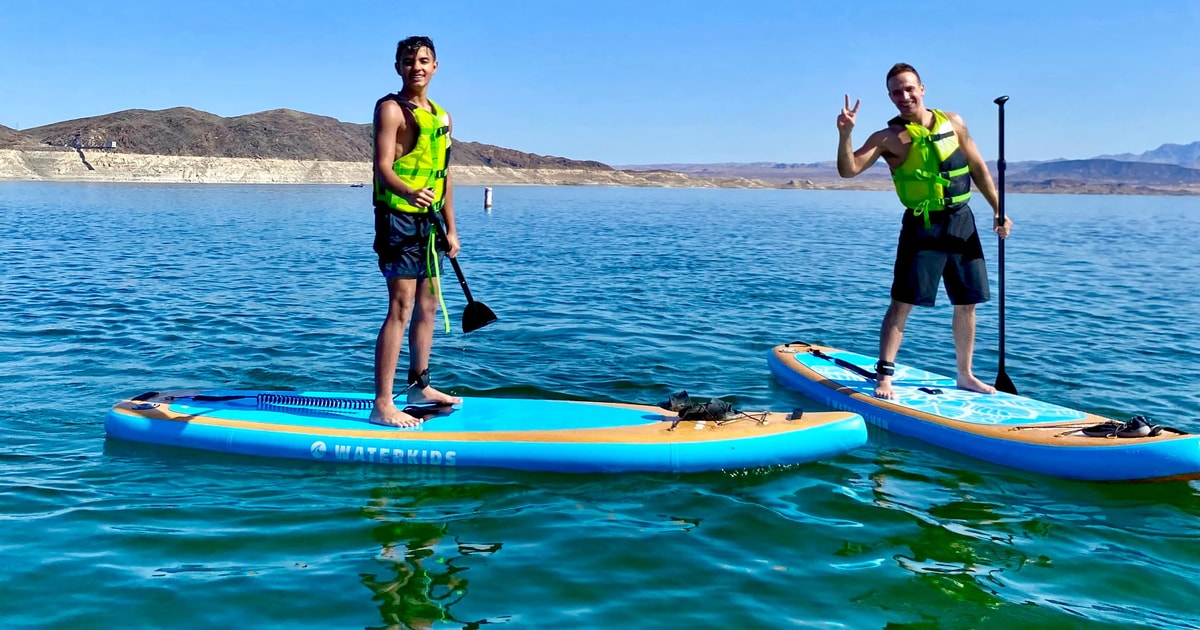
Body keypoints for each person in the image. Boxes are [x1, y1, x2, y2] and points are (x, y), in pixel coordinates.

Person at [836, 63, 1013, 399]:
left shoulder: (954, 121)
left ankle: (965, 374)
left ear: (922, 88)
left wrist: (999, 210)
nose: (903, 96)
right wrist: (845, 134)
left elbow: (977, 167)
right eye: (896, 92)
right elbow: (849, 170)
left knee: (967, 302)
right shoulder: (887, 138)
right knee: (902, 302)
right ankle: (885, 377)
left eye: (908, 89)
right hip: (922, 225)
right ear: (890, 97)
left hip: (962, 220)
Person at [370, 36, 462, 427]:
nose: (416, 67)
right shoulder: (390, 109)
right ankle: (382, 404)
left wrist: (452, 229)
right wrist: (410, 192)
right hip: (399, 219)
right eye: (408, 61)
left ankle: (420, 385)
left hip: (431, 224)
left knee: (428, 305)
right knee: (402, 307)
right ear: (398, 68)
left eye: (424, 60)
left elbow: (444, 176)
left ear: (436, 66)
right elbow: (382, 167)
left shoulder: (442, 117)